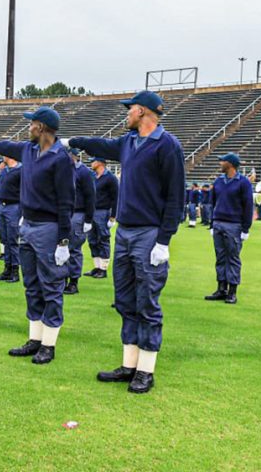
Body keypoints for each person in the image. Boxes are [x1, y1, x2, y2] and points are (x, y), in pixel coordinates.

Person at [69, 90, 185, 394]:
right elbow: (103, 146)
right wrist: (76, 141)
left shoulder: (167, 145)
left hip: (149, 233)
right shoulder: (129, 142)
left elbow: (175, 197)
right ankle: (129, 364)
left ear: (143, 112)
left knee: (147, 301)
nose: (126, 113)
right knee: (125, 299)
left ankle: (146, 371)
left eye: (130, 109)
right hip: (125, 231)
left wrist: (164, 240)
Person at [0, 106, 75, 364]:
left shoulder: (60, 158)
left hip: (49, 227)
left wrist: (64, 240)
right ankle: (35, 339)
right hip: (28, 225)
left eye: (31, 124)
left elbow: (67, 202)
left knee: (51, 286)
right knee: (31, 285)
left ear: (41, 127)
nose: (28, 128)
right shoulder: (29, 150)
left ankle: (49, 344)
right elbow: (8, 146)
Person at [204, 153, 253, 304]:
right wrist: (212, 224)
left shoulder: (243, 182)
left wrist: (245, 229)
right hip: (218, 223)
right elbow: (213, 203)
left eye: (223, 161)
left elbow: (248, 206)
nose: (220, 163)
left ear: (230, 164)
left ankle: (232, 291)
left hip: (234, 225)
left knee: (233, 258)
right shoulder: (218, 181)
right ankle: (221, 288)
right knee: (220, 257)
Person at [64, 147, 95, 295]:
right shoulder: (63, 171)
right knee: (61, 246)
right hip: (64, 213)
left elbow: (91, 197)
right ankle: (62, 278)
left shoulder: (84, 172)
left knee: (74, 249)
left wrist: (88, 219)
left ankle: (73, 281)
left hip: (78, 214)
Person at [85, 157, 118, 279]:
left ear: (100, 163)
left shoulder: (110, 178)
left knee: (103, 239)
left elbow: (116, 198)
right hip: (92, 211)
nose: (91, 163)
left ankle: (103, 268)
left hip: (103, 211)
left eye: (93, 161)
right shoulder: (93, 177)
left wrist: (113, 216)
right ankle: (97, 266)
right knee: (92, 239)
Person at [0, 155, 22, 283]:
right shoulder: (5, 170)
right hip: (2, 206)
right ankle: (7, 269)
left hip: (13, 207)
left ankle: (15, 271)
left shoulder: (20, 171)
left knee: (13, 240)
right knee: (5, 239)